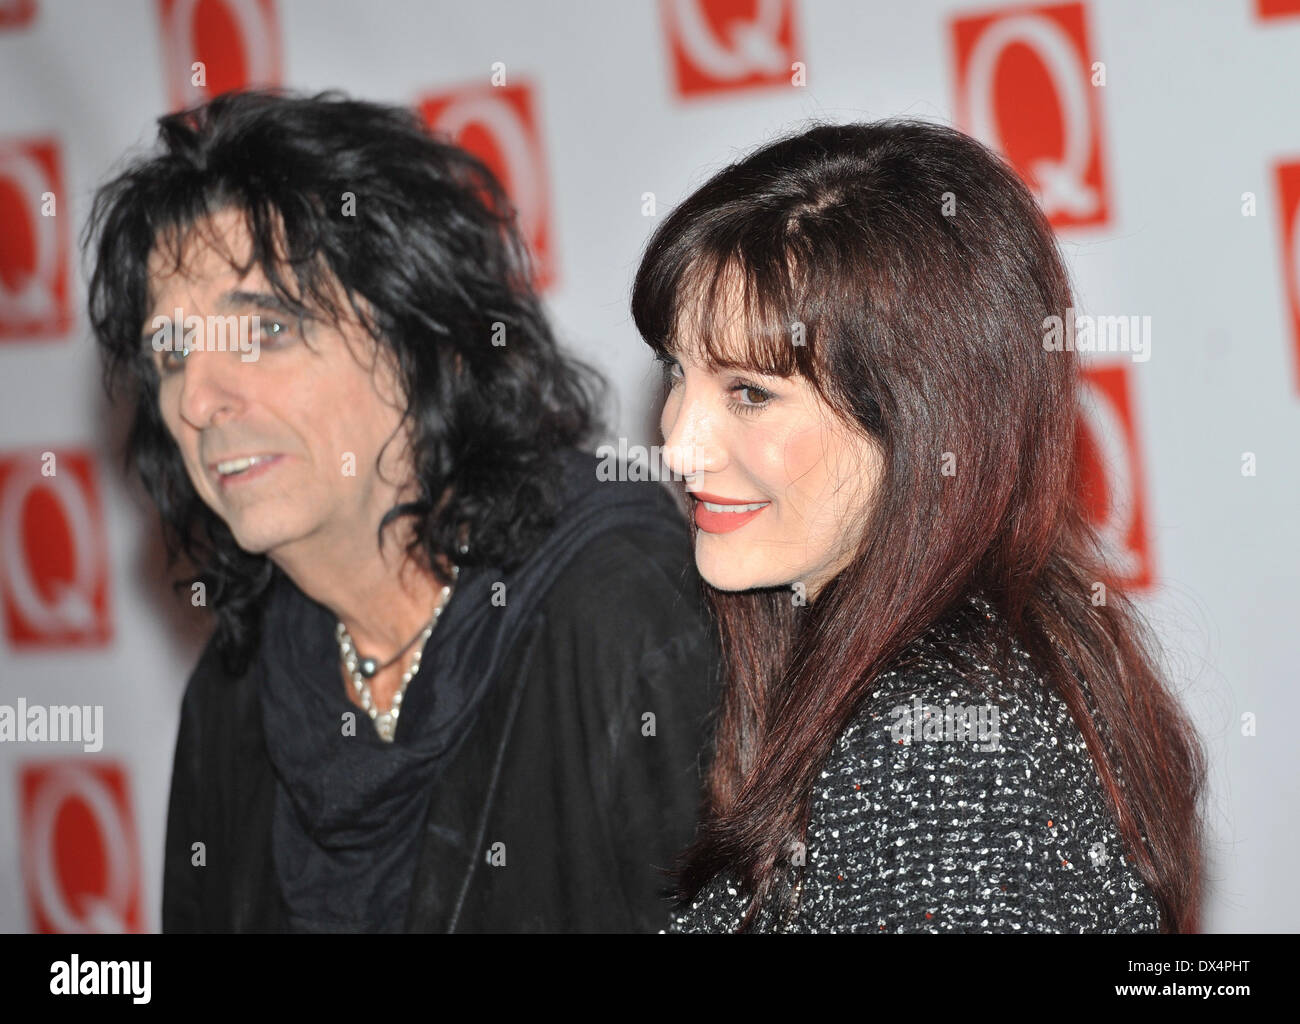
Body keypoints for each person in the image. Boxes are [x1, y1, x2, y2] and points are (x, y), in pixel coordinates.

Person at [83, 88, 718, 933]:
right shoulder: (238, 693)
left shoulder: (621, 618)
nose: (198, 399)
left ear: (432, 344)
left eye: (264, 332)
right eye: (170, 354)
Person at [630, 119, 1207, 933]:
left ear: (920, 425)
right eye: (677, 372)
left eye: (750, 393)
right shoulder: (971, 662)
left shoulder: (941, 754)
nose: (678, 447)